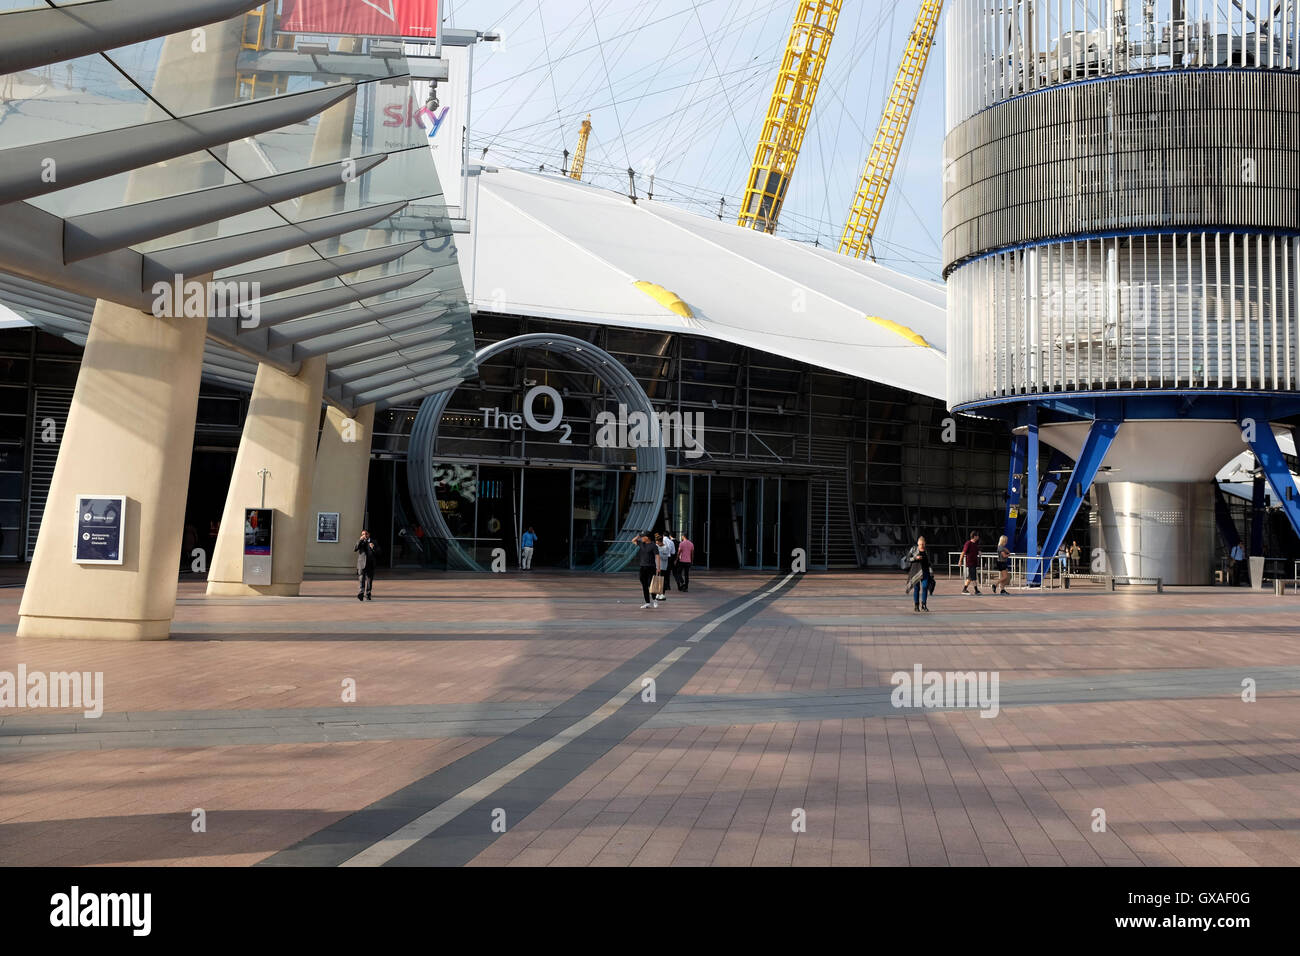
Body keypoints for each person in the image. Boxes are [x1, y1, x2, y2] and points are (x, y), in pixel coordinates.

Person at [904, 535, 933, 612]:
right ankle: (916, 605)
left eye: (923, 544)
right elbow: (907, 558)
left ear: (925, 543)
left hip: (925, 571)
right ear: (917, 543)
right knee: (916, 588)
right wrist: (915, 558)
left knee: (925, 587)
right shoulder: (913, 549)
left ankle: (924, 605)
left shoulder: (927, 550)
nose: (921, 546)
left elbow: (929, 562)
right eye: (920, 544)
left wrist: (931, 572)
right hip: (915, 571)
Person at [636, 531, 661, 609]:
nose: (642, 538)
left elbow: (657, 556)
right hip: (642, 567)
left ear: (647, 537)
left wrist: (658, 567)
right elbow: (633, 540)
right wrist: (638, 536)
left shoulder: (654, 546)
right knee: (644, 585)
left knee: (651, 585)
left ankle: (654, 600)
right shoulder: (641, 543)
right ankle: (647, 603)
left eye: (643, 536)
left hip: (651, 567)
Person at [355, 529, 379, 601]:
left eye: (366, 534)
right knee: (361, 579)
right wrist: (360, 540)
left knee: (369, 580)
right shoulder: (360, 541)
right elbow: (355, 548)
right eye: (363, 534)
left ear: (369, 534)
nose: (364, 535)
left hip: (370, 564)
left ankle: (368, 594)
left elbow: (379, 552)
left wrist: (373, 547)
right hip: (361, 564)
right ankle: (361, 593)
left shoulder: (374, 541)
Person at [653, 533, 674, 603]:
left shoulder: (666, 547)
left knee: (662, 580)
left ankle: (662, 593)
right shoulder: (656, 546)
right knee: (657, 580)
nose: (657, 544)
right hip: (656, 566)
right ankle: (657, 593)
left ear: (660, 542)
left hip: (663, 567)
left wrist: (659, 554)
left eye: (657, 542)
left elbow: (665, 557)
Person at [960, 531, 982, 595]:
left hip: (974, 563)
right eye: (977, 536)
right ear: (974, 536)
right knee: (973, 577)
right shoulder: (968, 543)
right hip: (970, 563)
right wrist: (960, 561)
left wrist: (979, 552)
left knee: (970, 577)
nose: (978, 537)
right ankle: (976, 590)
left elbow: (976, 551)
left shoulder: (975, 544)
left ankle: (964, 589)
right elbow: (963, 552)